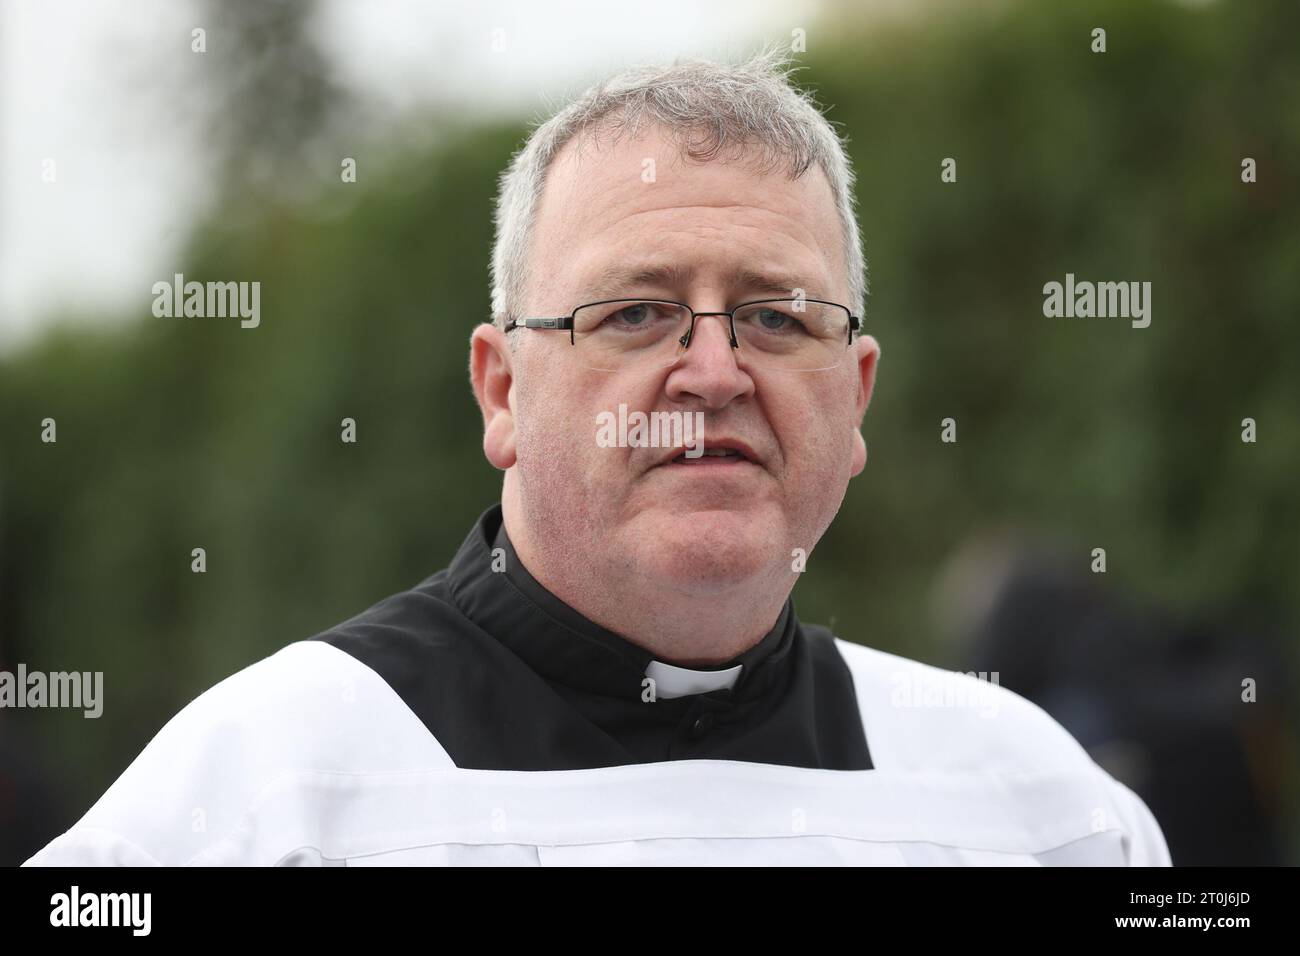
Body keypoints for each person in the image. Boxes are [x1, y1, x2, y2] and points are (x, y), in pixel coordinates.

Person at [26, 48, 1170, 866]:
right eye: (633, 313)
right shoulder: (262, 797)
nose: (714, 371)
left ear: (855, 393)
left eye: (777, 315)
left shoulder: (1039, 807)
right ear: (502, 389)